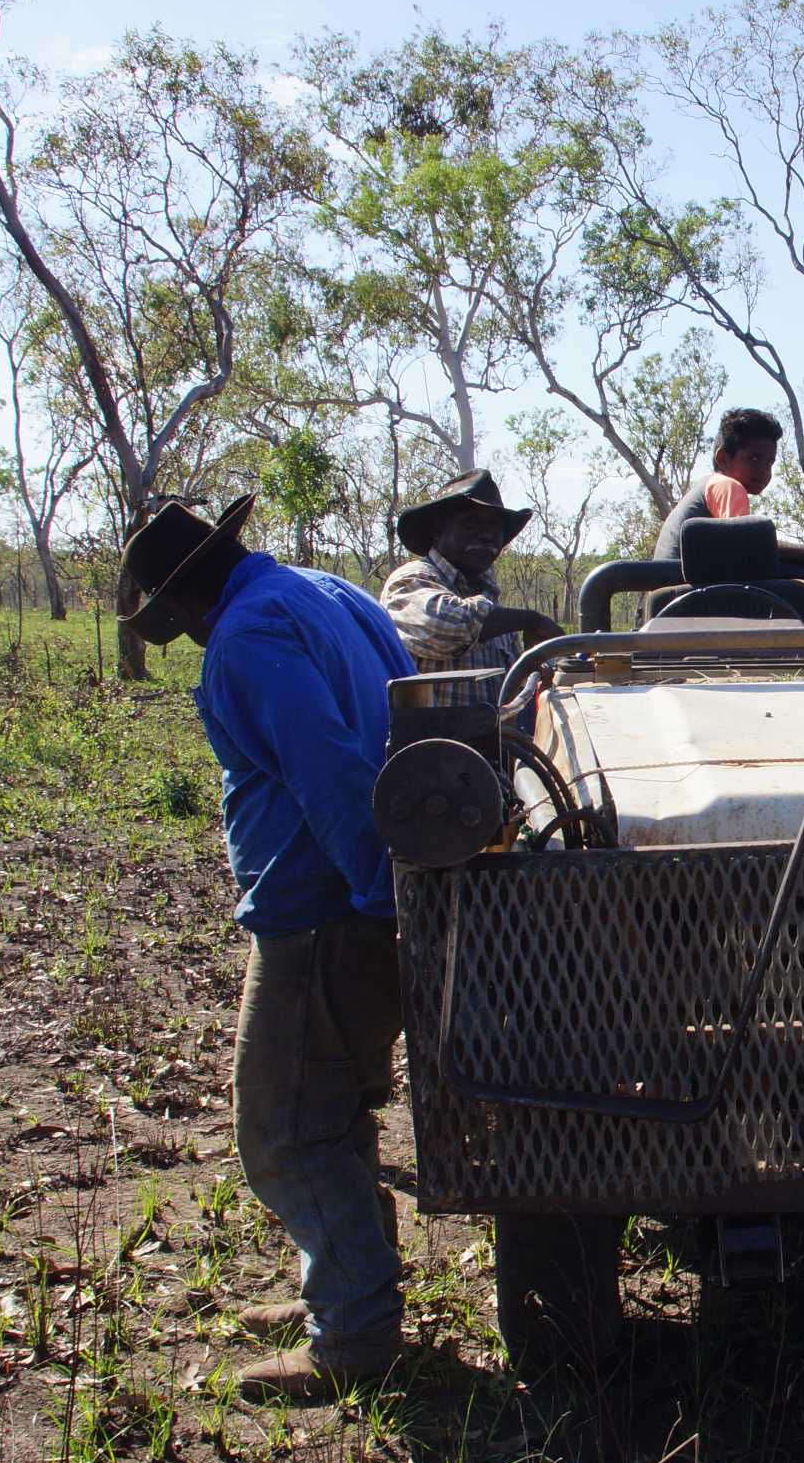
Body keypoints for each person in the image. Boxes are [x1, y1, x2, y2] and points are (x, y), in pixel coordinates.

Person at [118, 496, 416, 1402]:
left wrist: (377, 897)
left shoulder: (246, 636)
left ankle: (355, 1330)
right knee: (329, 1106)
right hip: (359, 899)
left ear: (184, 602)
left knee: (282, 1128)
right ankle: (346, 1280)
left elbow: (330, 770)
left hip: (325, 911)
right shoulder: (326, 590)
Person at [380, 470, 562, 706]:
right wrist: (532, 620)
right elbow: (450, 625)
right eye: (471, 523)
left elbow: (509, 690)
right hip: (432, 731)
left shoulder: (492, 603)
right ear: (437, 530)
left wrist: (536, 673)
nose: (487, 535)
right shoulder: (411, 580)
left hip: (491, 730)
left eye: (495, 527)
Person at [651, 408, 783, 563]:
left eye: (769, 463)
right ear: (723, 459)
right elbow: (746, 547)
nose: (764, 470)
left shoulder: (708, 485)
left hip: (670, 577)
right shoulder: (728, 486)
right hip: (688, 578)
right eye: (754, 459)